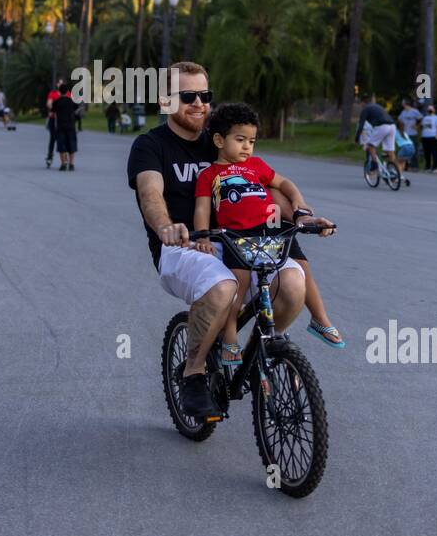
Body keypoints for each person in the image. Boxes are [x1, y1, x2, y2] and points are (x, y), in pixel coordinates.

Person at [126, 61, 337, 419]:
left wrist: (301, 213)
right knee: (222, 286)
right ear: (165, 101)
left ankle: (260, 354)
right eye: (188, 95)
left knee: (294, 283)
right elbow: (150, 193)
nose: (199, 104)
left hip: (243, 242)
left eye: (205, 96)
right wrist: (165, 226)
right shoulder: (150, 146)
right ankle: (193, 372)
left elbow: (269, 187)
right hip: (184, 246)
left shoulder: (225, 140)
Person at [193, 102, 344, 372]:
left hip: (271, 229)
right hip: (236, 235)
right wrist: (203, 235)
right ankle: (229, 336)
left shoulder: (256, 165)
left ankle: (319, 318)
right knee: (236, 287)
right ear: (219, 140)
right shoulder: (209, 175)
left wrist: (299, 205)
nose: (247, 147)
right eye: (240, 140)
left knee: (302, 269)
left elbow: (283, 183)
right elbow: (203, 207)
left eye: (251, 141)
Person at [355, 93, 407, 183]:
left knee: (371, 146)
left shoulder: (365, 110)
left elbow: (361, 125)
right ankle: (393, 172)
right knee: (390, 150)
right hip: (392, 126)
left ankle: (375, 166)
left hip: (382, 126)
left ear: (363, 103)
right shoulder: (377, 106)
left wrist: (356, 138)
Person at [50, 80, 79, 170]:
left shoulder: (56, 102)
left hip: (60, 126)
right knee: (72, 144)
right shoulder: (72, 102)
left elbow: (53, 111)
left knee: (61, 144)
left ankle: (63, 164)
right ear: (67, 91)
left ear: (59, 91)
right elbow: (76, 108)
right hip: (71, 126)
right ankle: (71, 164)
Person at [398, 98, 422, 169]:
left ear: (406, 104)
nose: (402, 105)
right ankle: (406, 166)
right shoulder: (403, 112)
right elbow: (399, 120)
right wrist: (401, 130)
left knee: (414, 150)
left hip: (413, 134)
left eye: (403, 104)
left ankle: (415, 166)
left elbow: (421, 119)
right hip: (405, 134)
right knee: (405, 150)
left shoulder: (415, 111)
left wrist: (417, 126)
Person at [420, 103, 437, 172]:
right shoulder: (425, 118)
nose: (430, 110)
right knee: (427, 153)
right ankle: (428, 167)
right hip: (425, 137)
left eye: (431, 109)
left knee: (434, 153)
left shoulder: (436, 118)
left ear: (434, 110)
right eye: (429, 109)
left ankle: (435, 167)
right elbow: (422, 126)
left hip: (433, 137)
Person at [44, 82, 62, 167]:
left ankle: (64, 160)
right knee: (53, 138)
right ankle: (50, 156)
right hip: (53, 119)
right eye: (59, 83)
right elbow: (49, 103)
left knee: (63, 139)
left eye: (61, 83)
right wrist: (55, 109)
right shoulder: (53, 93)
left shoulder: (68, 93)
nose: (60, 85)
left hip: (63, 120)